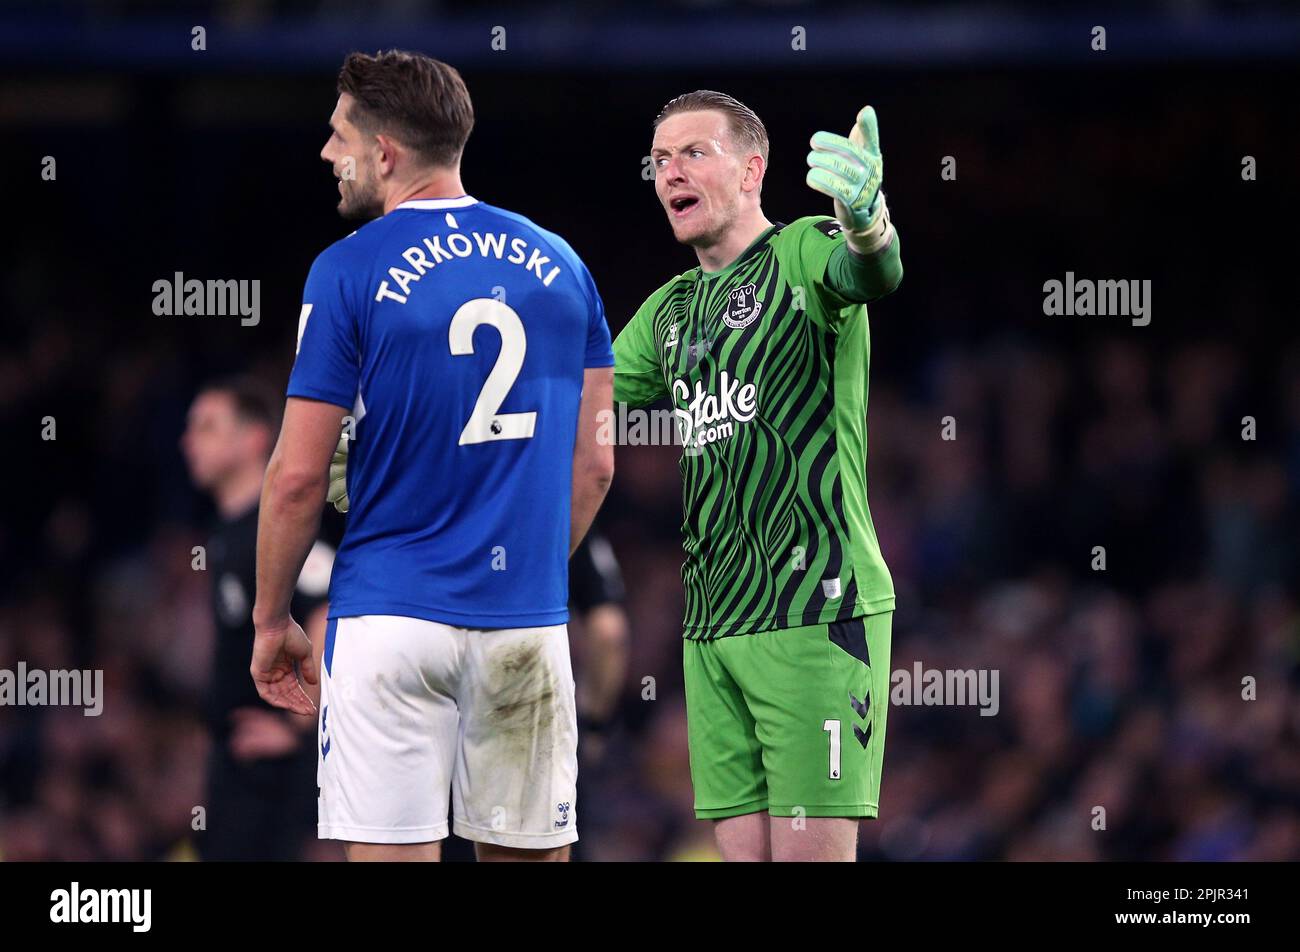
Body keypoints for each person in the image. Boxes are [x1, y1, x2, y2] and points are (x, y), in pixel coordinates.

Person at [250, 50, 614, 862]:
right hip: (527, 624)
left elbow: (299, 475)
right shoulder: (564, 265)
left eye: (337, 134)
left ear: (384, 152)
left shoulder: (346, 269)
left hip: (388, 617)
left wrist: (272, 617)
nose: (325, 153)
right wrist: (521, 575)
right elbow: (596, 466)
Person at [612, 90, 903, 861]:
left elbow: (871, 274)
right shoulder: (670, 311)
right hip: (712, 626)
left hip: (815, 609)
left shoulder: (804, 248)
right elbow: (574, 399)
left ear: (752, 170)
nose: (669, 169)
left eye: (693, 152)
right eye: (661, 158)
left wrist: (868, 224)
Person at [180, 376, 335, 861]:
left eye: (206, 426)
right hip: (237, 764)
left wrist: (299, 728)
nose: (189, 440)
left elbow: (329, 613)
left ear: (253, 439)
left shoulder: (276, 531)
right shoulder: (227, 533)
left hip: (275, 772)